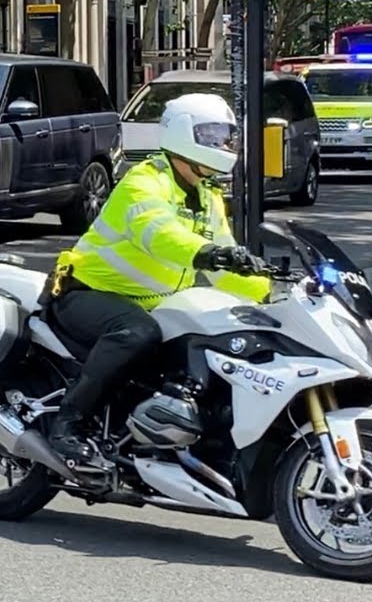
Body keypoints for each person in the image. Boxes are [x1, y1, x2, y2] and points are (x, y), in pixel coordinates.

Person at [41, 93, 271, 471]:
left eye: (226, 136)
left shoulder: (206, 194)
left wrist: (271, 295)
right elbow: (158, 233)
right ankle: (68, 425)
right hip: (88, 291)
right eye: (212, 135)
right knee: (136, 333)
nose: (223, 145)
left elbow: (225, 263)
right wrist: (208, 253)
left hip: (151, 301)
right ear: (184, 134)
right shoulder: (145, 181)